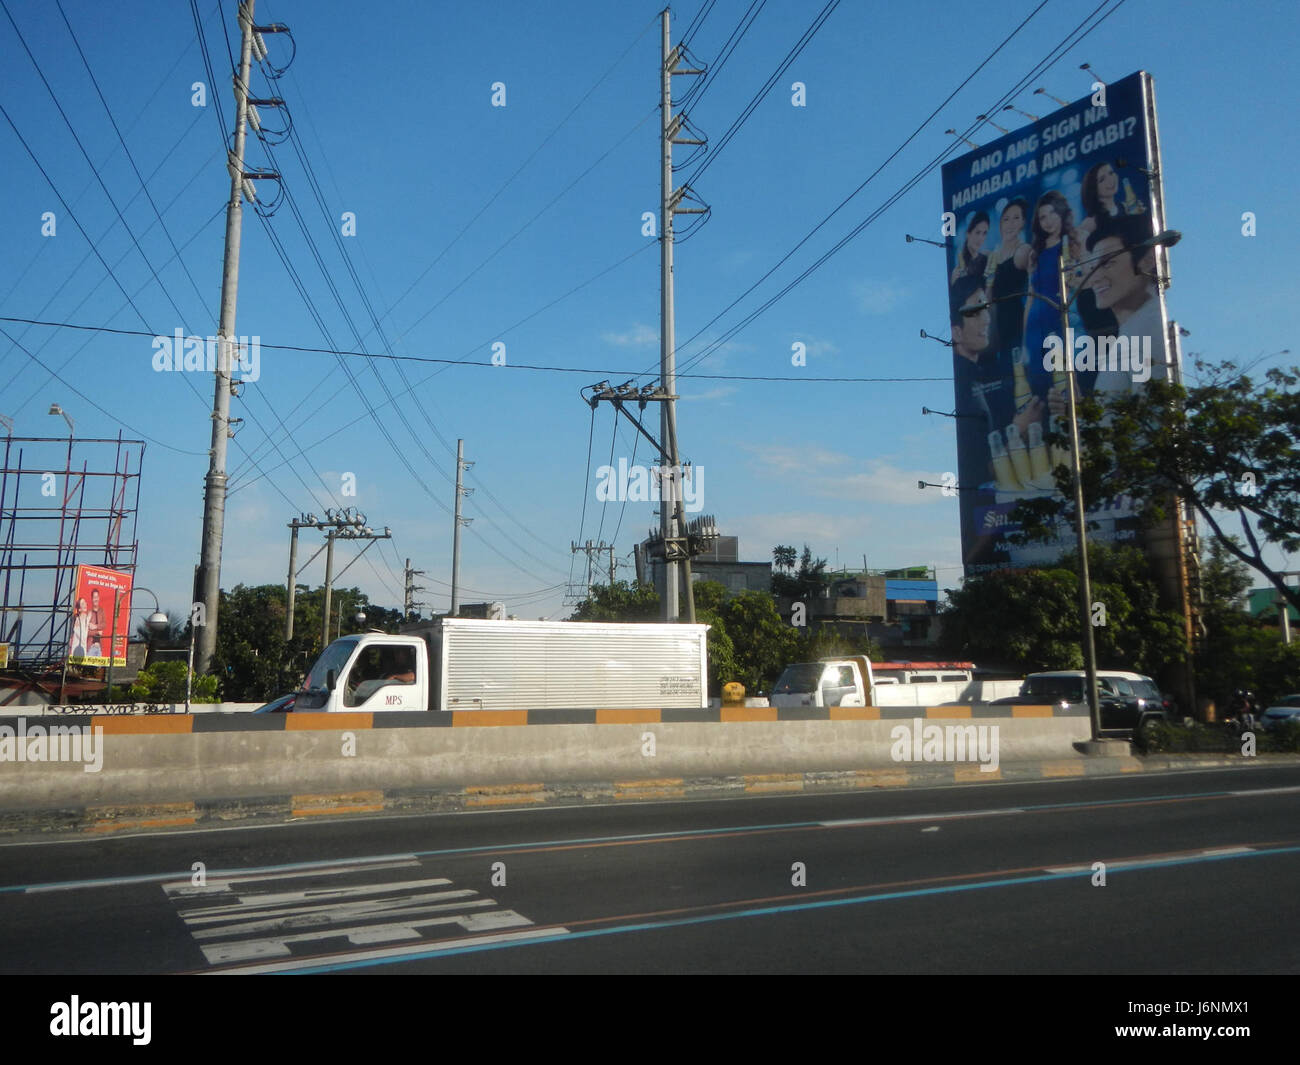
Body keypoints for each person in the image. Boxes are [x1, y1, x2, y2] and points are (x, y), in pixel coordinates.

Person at [1022, 191, 1084, 403]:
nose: (1048, 221)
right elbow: (1031, 294)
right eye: (1042, 217)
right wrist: (1024, 333)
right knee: (1041, 382)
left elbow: (1082, 280)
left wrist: (1074, 278)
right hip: (1036, 324)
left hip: (1064, 317)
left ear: (1061, 214)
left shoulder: (1072, 244)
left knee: (1069, 376)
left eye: (1052, 214)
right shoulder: (1035, 252)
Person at [950, 210, 990, 285]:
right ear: (968, 234)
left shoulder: (987, 259)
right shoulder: (958, 271)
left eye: (984, 233)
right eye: (977, 232)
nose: (981, 238)